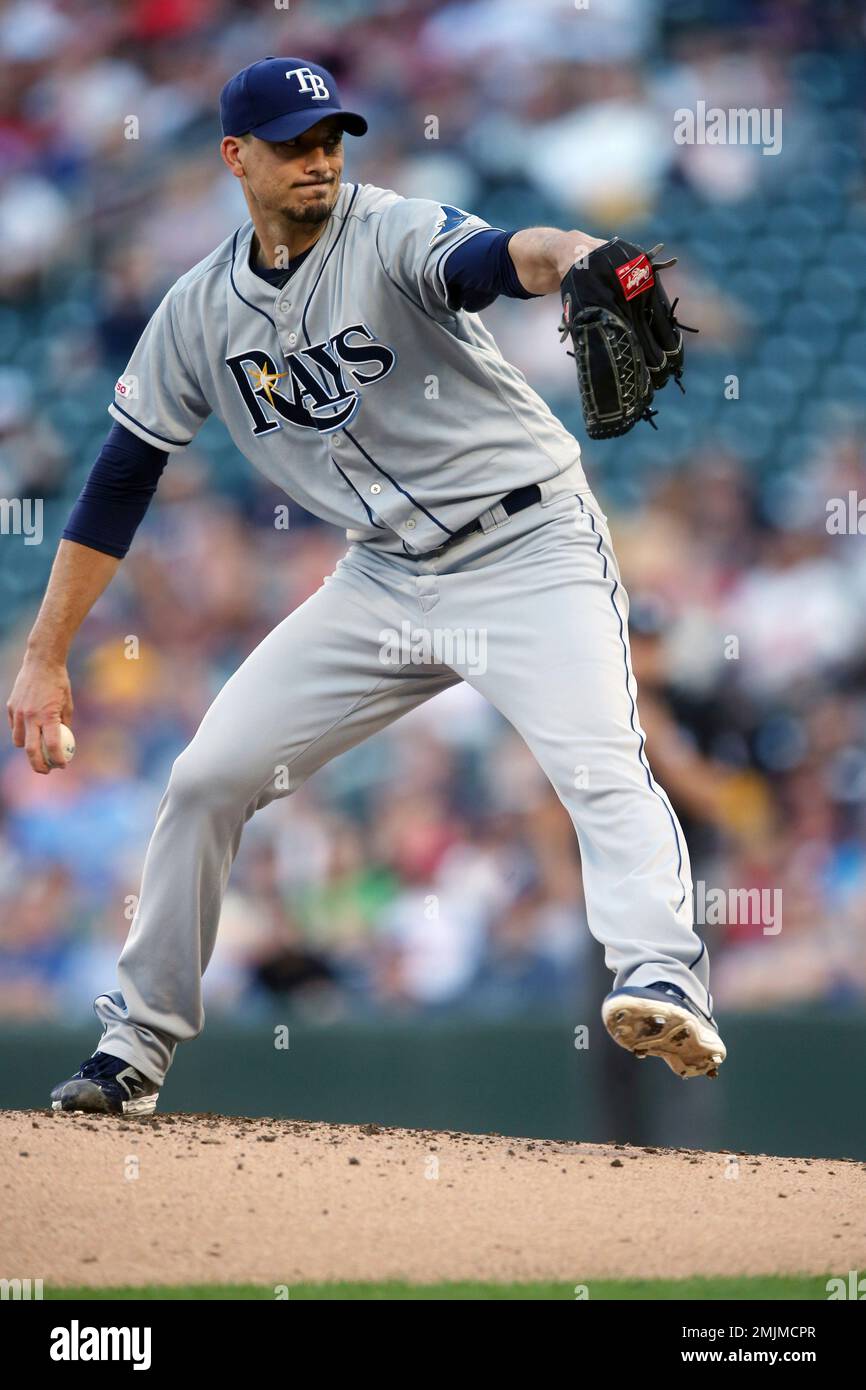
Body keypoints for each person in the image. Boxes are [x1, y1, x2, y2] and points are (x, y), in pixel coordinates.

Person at [6, 57, 725, 1115]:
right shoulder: (199, 311)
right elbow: (120, 479)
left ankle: (660, 973)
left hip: (525, 547)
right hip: (382, 578)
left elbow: (495, 258)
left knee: (597, 763)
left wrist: (575, 252)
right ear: (233, 157)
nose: (319, 159)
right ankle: (133, 1050)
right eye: (295, 143)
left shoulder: (386, 230)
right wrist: (44, 652)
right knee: (208, 777)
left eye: (330, 137)